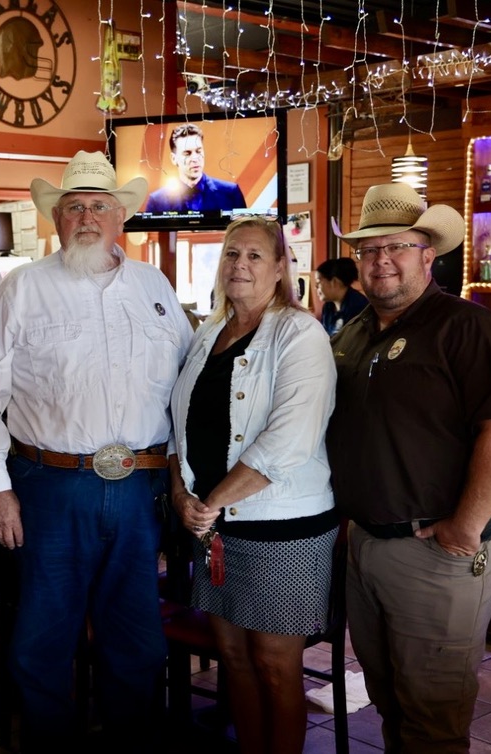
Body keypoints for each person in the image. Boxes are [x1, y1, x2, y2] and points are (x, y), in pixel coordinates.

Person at [0, 151, 192, 753]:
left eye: (98, 206)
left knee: (137, 639)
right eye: (73, 208)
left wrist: (181, 479)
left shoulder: (155, 287)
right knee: (42, 640)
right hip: (49, 487)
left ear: (120, 216)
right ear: (55, 218)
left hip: (141, 489)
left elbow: (188, 388)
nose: (86, 217)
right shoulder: (23, 290)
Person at [326, 183, 491, 752]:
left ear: (427, 253)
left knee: (433, 714)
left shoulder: (469, 327)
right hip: (367, 541)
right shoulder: (356, 331)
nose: (380, 260)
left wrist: (464, 527)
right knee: (391, 697)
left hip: (439, 548)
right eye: (368, 250)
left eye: (395, 246)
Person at [169, 215, 338, 753]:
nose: (239, 265)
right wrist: (180, 492)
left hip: (283, 528)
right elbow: (176, 426)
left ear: (281, 267)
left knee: (273, 665)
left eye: (254, 256)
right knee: (235, 659)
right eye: (231, 255)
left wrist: (211, 502)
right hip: (217, 527)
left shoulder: (299, 333)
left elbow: (290, 439)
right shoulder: (206, 336)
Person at [144, 123, 247, 214]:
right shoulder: (157, 201)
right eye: (187, 153)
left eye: (198, 151)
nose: (195, 158)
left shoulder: (230, 193)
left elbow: (244, 232)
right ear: (174, 158)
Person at [315, 257, 368, 336]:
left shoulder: (358, 306)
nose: (316, 286)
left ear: (334, 282)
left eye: (318, 282)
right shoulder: (328, 306)